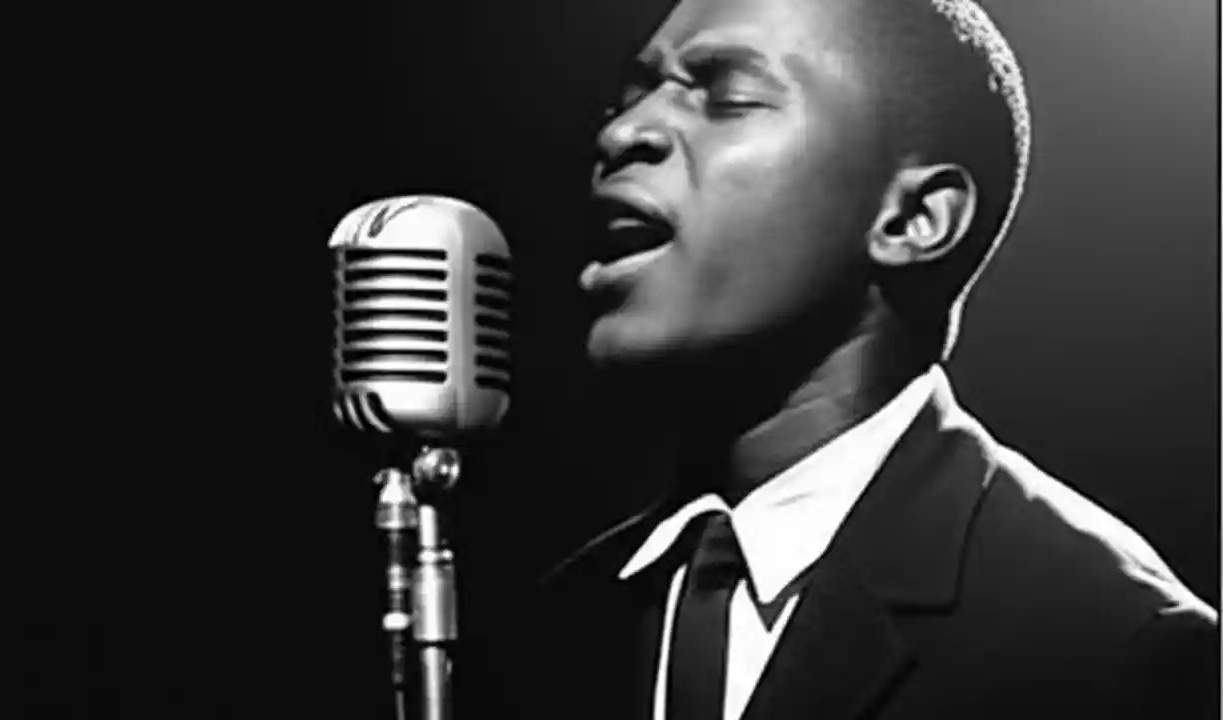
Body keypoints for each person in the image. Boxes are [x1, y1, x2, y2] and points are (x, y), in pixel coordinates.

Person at [489, 0, 1219, 718]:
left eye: (730, 97)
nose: (625, 131)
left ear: (910, 220)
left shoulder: (1108, 646)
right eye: (632, 96)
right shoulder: (547, 632)